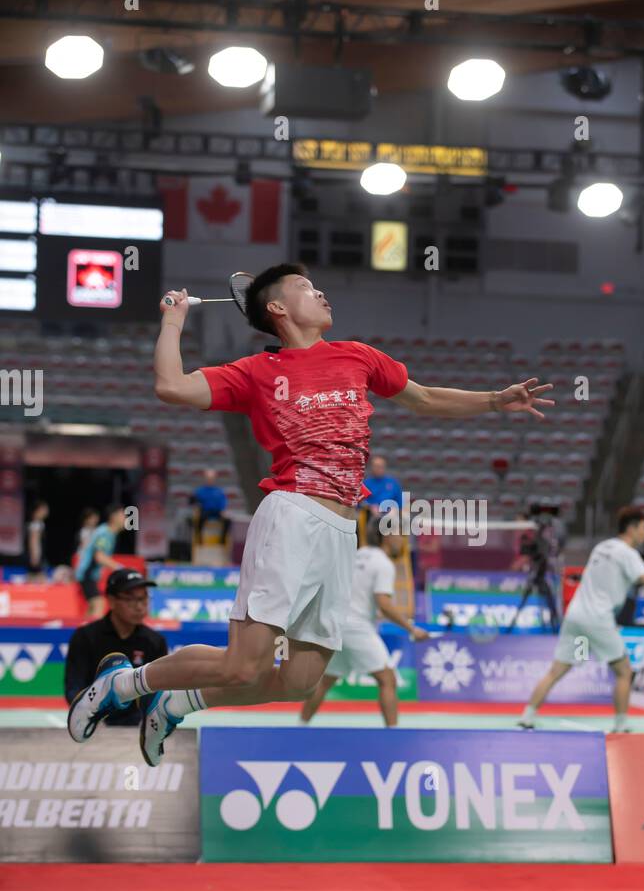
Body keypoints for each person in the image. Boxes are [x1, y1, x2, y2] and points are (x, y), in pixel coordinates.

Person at [67, 263, 553, 766]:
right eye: (305, 287)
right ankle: (121, 684)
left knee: (300, 680)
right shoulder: (255, 372)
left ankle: (177, 701)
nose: (320, 291)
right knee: (241, 665)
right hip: (292, 514)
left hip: (343, 531)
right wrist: (173, 319)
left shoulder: (357, 356)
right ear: (276, 308)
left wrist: (495, 401)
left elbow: (425, 398)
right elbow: (171, 386)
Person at [518, 505, 644, 733]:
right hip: (598, 618)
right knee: (624, 671)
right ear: (632, 529)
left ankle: (527, 717)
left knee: (557, 670)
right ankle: (621, 725)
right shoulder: (627, 553)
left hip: (575, 616)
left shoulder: (602, 547)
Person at [300, 521, 429, 727]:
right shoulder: (384, 564)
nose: (401, 539)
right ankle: (393, 736)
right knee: (388, 680)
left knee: (325, 681)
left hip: (336, 625)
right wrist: (412, 628)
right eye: (397, 534)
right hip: (358, 627)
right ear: (386, 536)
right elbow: (384, 603)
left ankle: (299, 727)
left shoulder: (355, 555)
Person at [65, 569, 167, 729]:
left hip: (139, 726)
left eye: (144, 599)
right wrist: (87, 716)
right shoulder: (85, 637)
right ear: (111, 601)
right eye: (132, 600)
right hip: (93, 723)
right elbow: (73, 687)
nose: (140, 607)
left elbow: (159, 692)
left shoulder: (155, 641)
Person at [74, 504, 127, 619]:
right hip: (86, 573)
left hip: (89, 575)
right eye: (123, 515)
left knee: (92, 607)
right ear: (113, 517)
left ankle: (82, 633)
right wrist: (121, 568)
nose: (126, 519)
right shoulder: (104, 533)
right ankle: (94, 635)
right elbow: (99, 557)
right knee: (99, 603)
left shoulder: (109, 533)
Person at [191, 468, 229, 545]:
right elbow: (194, 501)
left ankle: (222, 541)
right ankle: (199, 539)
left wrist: (223, 510)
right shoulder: (200, 491)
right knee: (200, 519)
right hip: (205, 512)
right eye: (208, 478)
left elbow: (223, 502)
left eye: (211, 478)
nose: (210, 480)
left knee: (228, 521)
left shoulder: (219, 491)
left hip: (217, 512)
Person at [26, 500, 49, 579]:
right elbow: (33, 541)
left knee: (34, 577)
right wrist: (35, 556)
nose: (47, 511)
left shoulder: (39, 523)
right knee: (37, 577)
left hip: (38, 555)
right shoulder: (36, 524)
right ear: (38, 510)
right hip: (36, 555)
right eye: (44, 509)